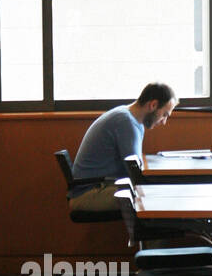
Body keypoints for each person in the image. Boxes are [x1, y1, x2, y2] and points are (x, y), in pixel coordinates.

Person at [67, 82, 178, 215]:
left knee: (156, 192)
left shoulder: (129, 118)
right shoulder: (126, 123)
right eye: (165, 114)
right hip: (88, 194)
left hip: (99, 187)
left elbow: (135, 167)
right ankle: (150, 236)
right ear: (153, 105)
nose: (164, 121)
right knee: (154, 197)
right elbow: (134, 171)